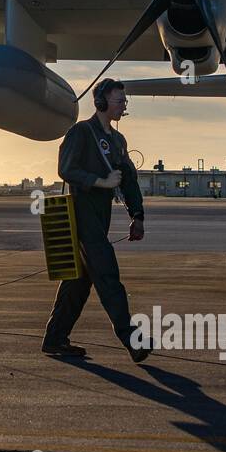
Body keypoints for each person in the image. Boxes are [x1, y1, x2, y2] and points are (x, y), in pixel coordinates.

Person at [42, 78, 151, 362]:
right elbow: (66, 168)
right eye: (119, 100)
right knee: (107, 276)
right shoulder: (81, 132)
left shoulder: (117, 140)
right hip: (81, 218)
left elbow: (128, 179)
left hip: (100, 219)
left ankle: (55, 339)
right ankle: (131, 339)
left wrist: (137, 215)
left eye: (125, 101)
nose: (124, 105)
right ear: (101, 102)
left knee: (77, 284)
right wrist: (100, 182)